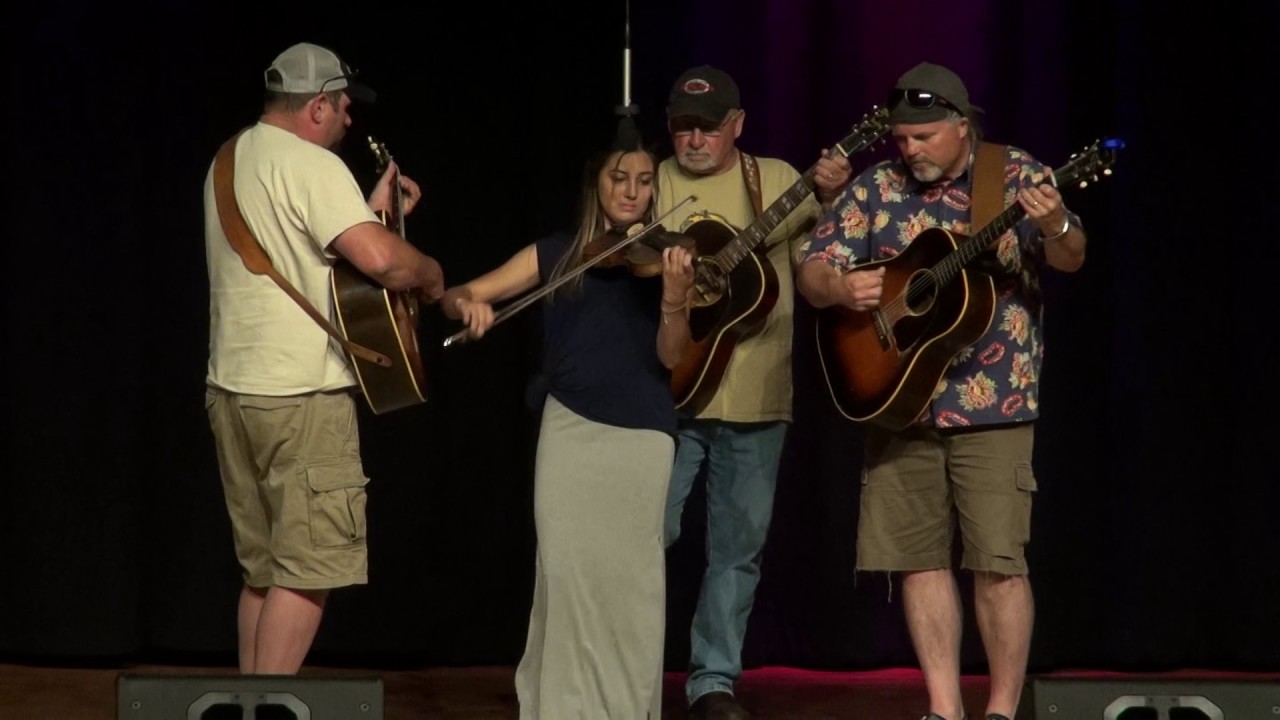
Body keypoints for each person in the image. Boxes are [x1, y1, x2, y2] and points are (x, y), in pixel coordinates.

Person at [794, 61, 1088, 720]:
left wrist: (1055, 224)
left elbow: (1071, 256)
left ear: (962, 126)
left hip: (993, 404)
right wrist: (839, 287)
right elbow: (814, 269)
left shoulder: (1012, 174)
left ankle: (1002, 711)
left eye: (924, 137)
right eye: (902, 138)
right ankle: (944, 709)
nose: (910, 149)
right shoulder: (875, 187)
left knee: (998, 563)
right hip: (898, 402)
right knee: (916, 560)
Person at [439, 114, 696, 719]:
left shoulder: (667, 257)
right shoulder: (556, 252)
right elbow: (458, 294)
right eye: (619, 179)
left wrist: (675, 301)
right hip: (570, 431)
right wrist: (469, 306)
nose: (632, 193)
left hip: (641, 436)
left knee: (631, 585)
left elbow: (672, 357)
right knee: (566, 576)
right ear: (595, 184)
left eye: (644, 181)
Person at [202, 41, 445, 674]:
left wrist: (370, 212)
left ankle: (250, 704)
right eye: (342, 105)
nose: (348, 117)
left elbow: (298, 248)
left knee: (263, 573)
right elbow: (384, 262)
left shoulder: (229, 159)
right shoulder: (314, 163)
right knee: (308, 572)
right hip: (300, 398)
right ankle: (267, 706)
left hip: (233, 394)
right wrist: (430, 273)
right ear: (316, 107)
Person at [655, 64, 852, 720]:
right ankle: (627, 665)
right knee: (646, 533)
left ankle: (712, 682)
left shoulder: (775, 180)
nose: (694, 140)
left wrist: (833, 200)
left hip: (757, 396)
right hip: (671, 394)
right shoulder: (651, 182)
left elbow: (820, 264)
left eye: (708, 128)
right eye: (683, 127)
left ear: (737, 125)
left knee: (737, 553)